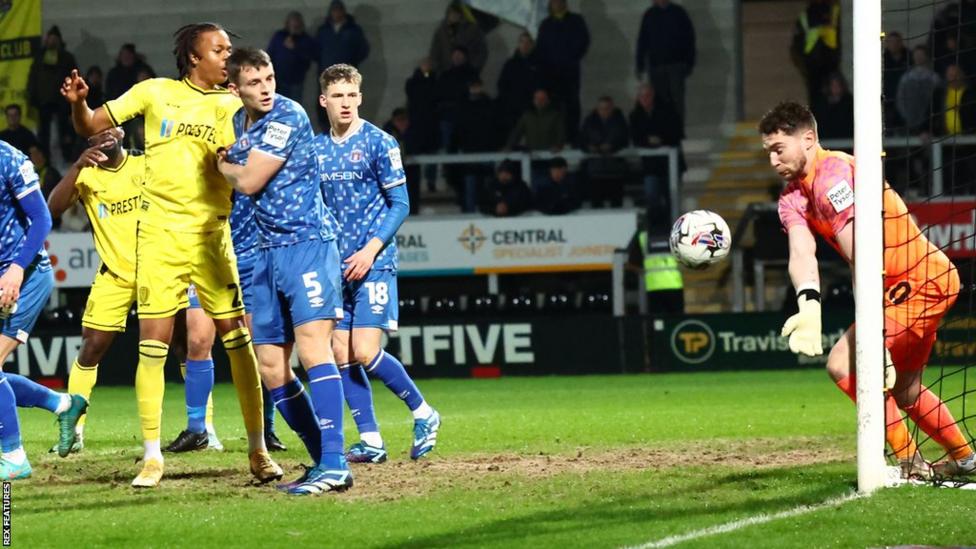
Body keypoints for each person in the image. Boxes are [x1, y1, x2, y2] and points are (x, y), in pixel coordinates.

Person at [61, 22, 280, 488]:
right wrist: (80, 103)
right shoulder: (154, 92)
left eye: (229, 48)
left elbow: (249, 157)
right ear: (195, 57)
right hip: (158, 236)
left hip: (211, 236)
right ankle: (153, 456)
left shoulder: (234, 103)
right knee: (153, 346)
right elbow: (91, 126)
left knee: (236, 342)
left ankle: (258, 449)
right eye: (219, 49)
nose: (228, 55)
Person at [760, 101, 976, 479]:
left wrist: (874, 331)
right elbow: (801, 250)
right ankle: (965, 460)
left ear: (808, 139)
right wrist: (808, 304)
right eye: (768, 152)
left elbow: (861, 253)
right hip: (907, 287)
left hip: (920, 279)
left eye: (779, 149)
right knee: (907, 390)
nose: (773, 161)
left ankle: (910, 463)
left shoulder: (834, 177)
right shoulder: (792, 197)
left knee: (842, 362)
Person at [219, 49, 351, 494]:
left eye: (270, 78)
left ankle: (336, 463)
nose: (266, 88)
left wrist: (222, 165)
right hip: (263, 253)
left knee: (315, 349)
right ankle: (322, 459)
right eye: (255, 83)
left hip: (307, 245)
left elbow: (250, 180)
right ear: (235, 89)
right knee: (272, 366)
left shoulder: (287, 115)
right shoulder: (241, 123)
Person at [314, 63, 441, 465]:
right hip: (336, 267)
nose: (346, 103)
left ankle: (425, 413)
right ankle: (370, 439)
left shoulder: (379, 142)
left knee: (366, 350)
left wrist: (370, 250)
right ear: (324, 101)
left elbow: (401, 204)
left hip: (374, 262)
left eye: (352, 95)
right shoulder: (315, 150)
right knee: (341, 351)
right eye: (338, 96)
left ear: (361, 97)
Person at [0, 139, 87, 479]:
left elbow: (41, 218)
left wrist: (17, 269)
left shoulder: (9, 158)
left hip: (25, 275)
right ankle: (63, 405)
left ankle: (13, 457)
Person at [635, 0, 696, 129]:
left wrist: (689, 62)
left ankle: (677, 132)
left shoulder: (678, 12)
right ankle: (664, 132)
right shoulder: (649, 14)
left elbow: (690, 38)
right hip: (656, 66)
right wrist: (639, 64)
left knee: (676, 100)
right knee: (659, 101)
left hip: (676, 65)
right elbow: (642, 41)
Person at [630, 83, 683, 229]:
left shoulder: (667, 111)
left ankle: (671, 227)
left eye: (647, 96)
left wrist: (661, 140)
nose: (645, 99)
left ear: (653, 96)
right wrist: (649, 141)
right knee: (652, 197)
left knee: (670, 198)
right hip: (650, 167)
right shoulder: (635, 115)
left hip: (668, 165)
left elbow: (676, 133)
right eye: (642, 97)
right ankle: (657, 227)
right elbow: (636, 138)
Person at [535, 0, 589, 142]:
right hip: (551, 74)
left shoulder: (576, 20)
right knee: (553, 108)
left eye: (559, 1)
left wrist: (569, 58)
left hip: (569, 72)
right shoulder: (545, 24)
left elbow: (583, 42)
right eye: (553, 2)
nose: (556, 4)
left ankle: (573, 138)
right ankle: (555, 139)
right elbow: (541, 51)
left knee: (572, 106)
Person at [27, 26, 78, 163]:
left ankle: (66, 162)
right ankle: (47, 163)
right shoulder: (39, 57)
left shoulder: (66, 58)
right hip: (43, 104)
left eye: (55, 39)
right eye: (50, 39)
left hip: (62, 103)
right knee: (44, 136)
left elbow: (74, 78)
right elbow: (33, 78)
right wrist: (32, 99)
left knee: (63, 135)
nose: (52, 41)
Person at [579, 96, 629, 208]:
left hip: (615, 171)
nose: (604, 111)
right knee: (596, 207)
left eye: (607, 108)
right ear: (597, 108)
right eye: (602, 108)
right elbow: (581, 141)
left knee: (616, 206)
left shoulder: (620, 121)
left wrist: (612, 147)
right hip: (595, 172)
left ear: (612, 108)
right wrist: (590, 148)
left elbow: (625, 140)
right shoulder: (589, 121)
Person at [789, 0, 841, 104]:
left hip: (834, 68)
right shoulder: (806, 17)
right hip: (814, 69)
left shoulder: (836, 12)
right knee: (818, 102)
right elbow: (797, 47)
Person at [497, 32, 543, 134]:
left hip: (532, 110)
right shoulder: (510, 64)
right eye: (522, 42)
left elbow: (542, 86)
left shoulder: (539, 65)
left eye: (528, 42)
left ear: (532, 45)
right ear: (518, 44)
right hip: (512, 110)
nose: (525, 45)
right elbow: (502, 85)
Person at [266, 11, 318, 103]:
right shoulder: (279, 36)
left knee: (294, 105)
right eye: (292, 23)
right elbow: (270, 54)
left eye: (296, 24)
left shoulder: (305, 39)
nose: (294, 26)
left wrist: (295, 48)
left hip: (296, 81)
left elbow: (309, 57)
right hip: (279, 80)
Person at [429, 2, 487, 74]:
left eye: (456, 13)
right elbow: (434, 52)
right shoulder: (441, 31)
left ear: (461, 15)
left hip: (465, 73)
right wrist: (437, 70)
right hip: (446, 74)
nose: (453, 16)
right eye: (451, 13)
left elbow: (482, 52)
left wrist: (471, 69)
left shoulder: (473, 29)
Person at [810, 72, 853, 140]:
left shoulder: (849, 103)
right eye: (833, 85)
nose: (835, 88)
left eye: (837, 85)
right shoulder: (821, 104)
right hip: (826, 141)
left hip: (845, 140)